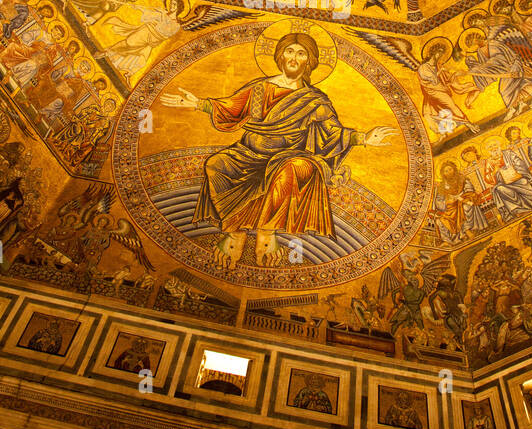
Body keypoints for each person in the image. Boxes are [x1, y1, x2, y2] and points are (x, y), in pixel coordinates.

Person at [161, 31, 394, 268]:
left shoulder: (314, 100)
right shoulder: (260, 89)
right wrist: (198, 104)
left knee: (295, 168)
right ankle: (235, 231)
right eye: (289, 51)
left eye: (301, 53)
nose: (293, 58)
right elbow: (232, 108)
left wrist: (364, 138)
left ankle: (267, 232)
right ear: (280, 56)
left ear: (309, 61)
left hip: (288, 156)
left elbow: (332, 133)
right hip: (248, 153)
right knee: (215, 164)